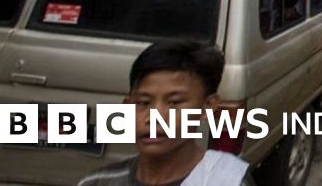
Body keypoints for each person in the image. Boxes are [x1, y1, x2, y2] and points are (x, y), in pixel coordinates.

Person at [78, 41, 254, 186]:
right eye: (143, 103)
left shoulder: (227, 180)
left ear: (207, 106)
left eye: (174, 103)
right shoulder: (98, 182)